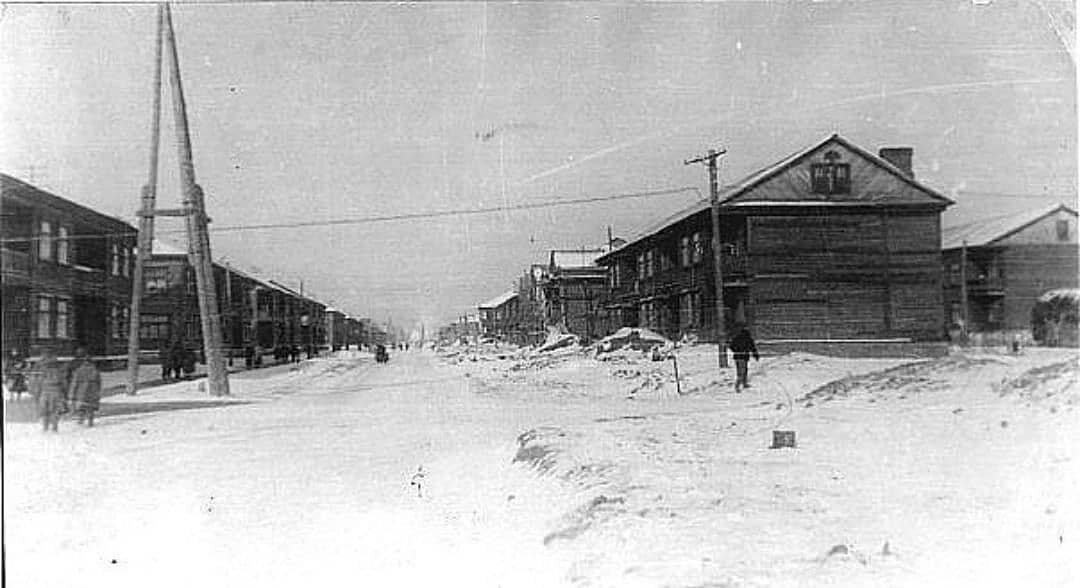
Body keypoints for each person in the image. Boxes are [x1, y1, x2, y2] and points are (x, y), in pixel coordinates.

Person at [28, 348, 68, 432]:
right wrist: (65, 393)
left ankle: (45, 427)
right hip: (56, 391)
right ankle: (54, 427)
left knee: (45, 410)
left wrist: (36, 393)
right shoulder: (58, 370)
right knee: (55, 410)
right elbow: (64, 382)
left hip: (45, 391)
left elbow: (38, 383)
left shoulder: (42, 370)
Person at [68, 347, 102, 427]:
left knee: (81, 406)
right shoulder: (95, 370)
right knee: (90, 407)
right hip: (92, 391)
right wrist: (98, 391)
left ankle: (81, 420)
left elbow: (75, 383)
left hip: (81, 391)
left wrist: (72, 394)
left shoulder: (79, 370)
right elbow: (99, 382)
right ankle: (90, 422)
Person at [727, 323, 760, 393]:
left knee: (742, 370)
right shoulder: (748, 339)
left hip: (737, 357)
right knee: (742, 371)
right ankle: (737, 386)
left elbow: (731, 346)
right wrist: (756, 355)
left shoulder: (736, 338)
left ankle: (744, 383)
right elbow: (753, 348)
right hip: (744, 357)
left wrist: (736, 351)